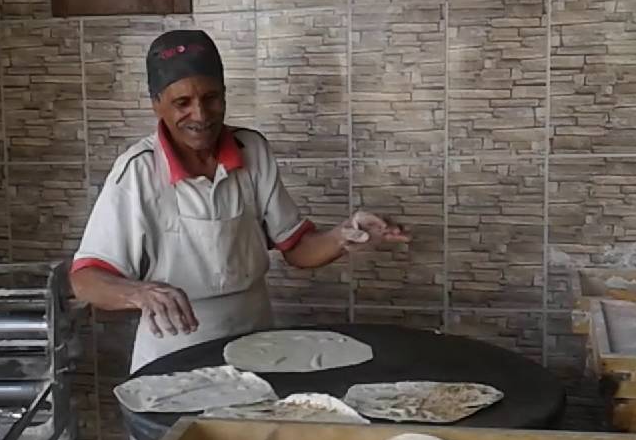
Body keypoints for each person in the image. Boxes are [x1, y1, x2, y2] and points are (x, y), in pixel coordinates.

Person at [70, 30, 408, 374]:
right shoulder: (137, 170)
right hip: (176, 352)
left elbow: (297, 247)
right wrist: (139, 293)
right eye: (182, 103)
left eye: (211, 97)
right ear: (157, 104)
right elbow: (86, 278)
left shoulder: (252, 150)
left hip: (257, 343)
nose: (200, 115)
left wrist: (344, 236)